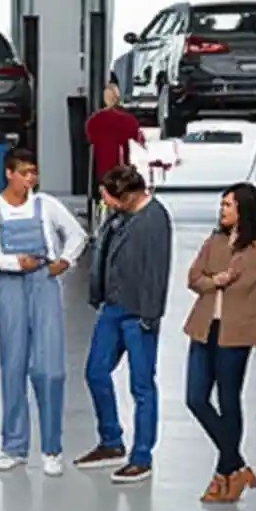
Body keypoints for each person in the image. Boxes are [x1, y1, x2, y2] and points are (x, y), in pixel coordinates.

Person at [0, 148, 88, 476]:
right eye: (24, 172)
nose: (31, 179)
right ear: (9, 173)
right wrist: (16, 263)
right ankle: (14, 446)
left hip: (44, 283)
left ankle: (52, 448)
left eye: (33, 173)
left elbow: (77, 235)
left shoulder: (46, 205)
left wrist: (65, 261)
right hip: (9, 285)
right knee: (13, 365)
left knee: (51, 368)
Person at [74, 164, 173, 483]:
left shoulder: (154, 219)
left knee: (142, 386)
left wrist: (149, 316)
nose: (107, 203)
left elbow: (157, 272)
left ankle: (141, 456)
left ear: (130, 195)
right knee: (96, 371)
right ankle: (111, 441)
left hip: (139, 313)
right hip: (113, 307)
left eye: (112, 198)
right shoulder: (119, 215)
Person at [183, 182, 256, 502]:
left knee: (228, 398)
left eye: (228, 205)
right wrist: (215, 280)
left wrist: (215, 279)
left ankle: (225, 473)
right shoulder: (215, 240)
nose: (222, 211)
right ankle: (238, 465)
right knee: (195, 398)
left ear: (244, 210)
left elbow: (239, 281)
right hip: (205, 327)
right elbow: (194, 278)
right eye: (221, 205)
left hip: (235, 333)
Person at [85, 84, 145, 222]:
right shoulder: (127, 120)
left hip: (100, 166)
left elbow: (90, 139)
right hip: (121, 166)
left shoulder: (94, 120)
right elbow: (138, 139)